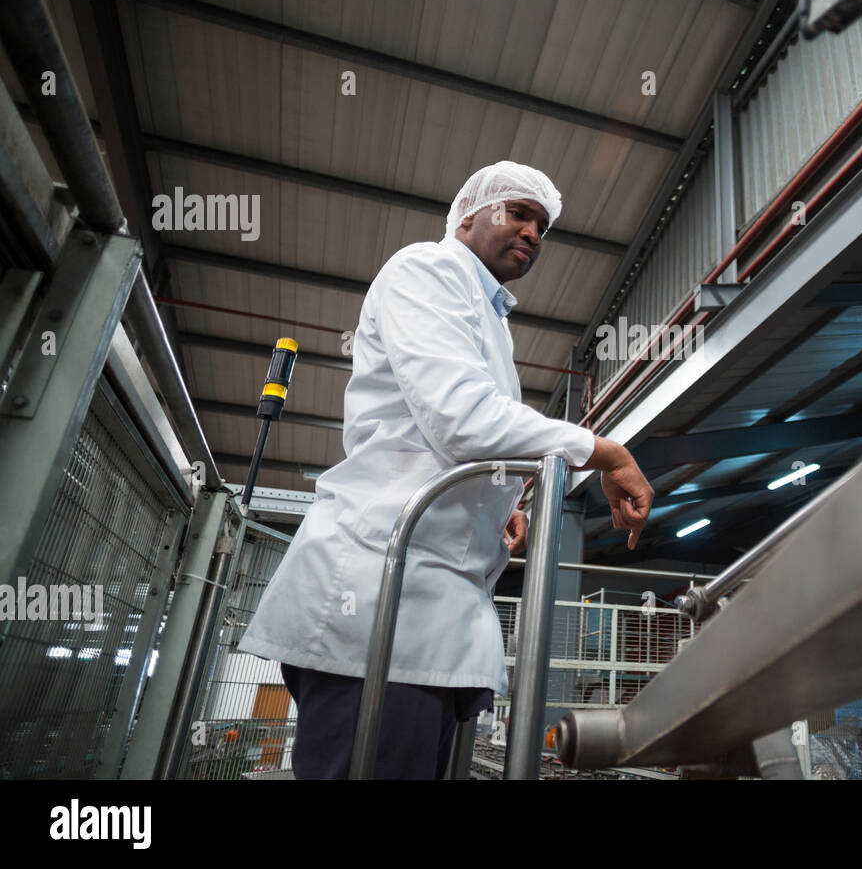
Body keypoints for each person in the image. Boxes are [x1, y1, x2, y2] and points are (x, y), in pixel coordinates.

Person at [238, 161, 654, 779]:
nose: (533, 233)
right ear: (467, 214)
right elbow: (461, 419)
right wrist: (605, 451)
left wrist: (500, 505)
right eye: (517, 213)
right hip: (380, 607)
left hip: (429, 620)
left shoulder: (488, 316)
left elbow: (453, 436)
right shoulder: (427, 270)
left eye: (541, 225)